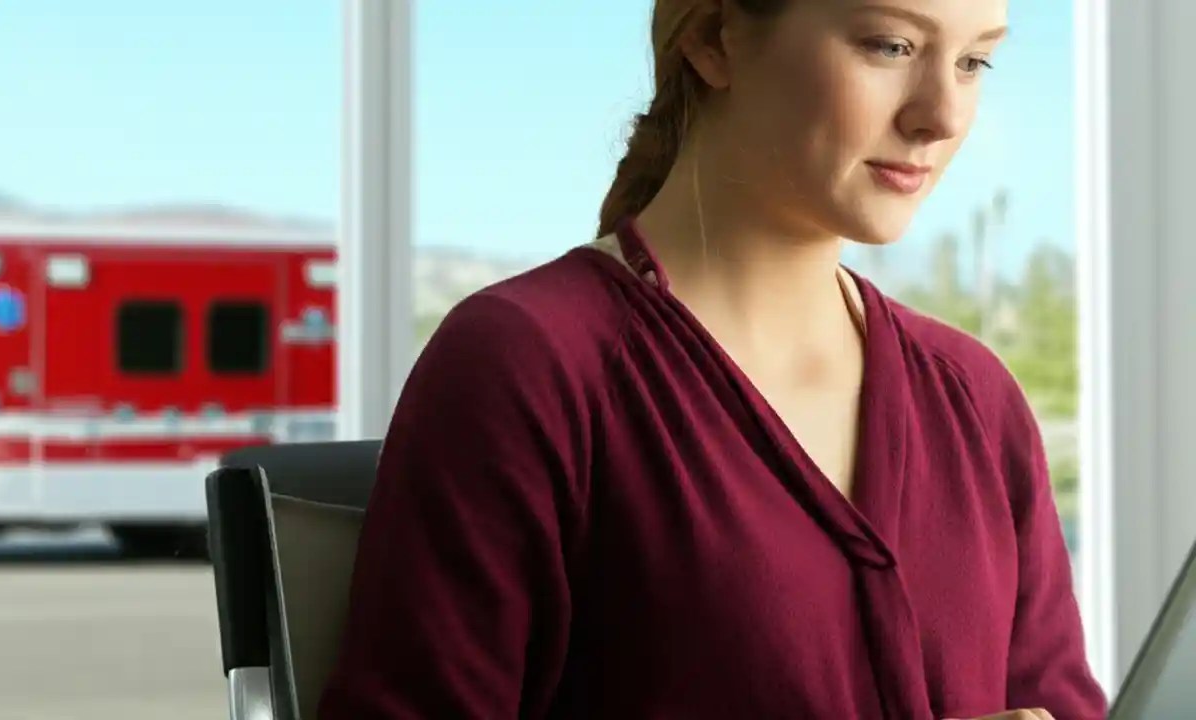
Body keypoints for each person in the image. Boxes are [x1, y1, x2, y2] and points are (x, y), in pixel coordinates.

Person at [318, 0, 1108, 718]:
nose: (940, 115)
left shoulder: (975, 398)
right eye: (890, 45)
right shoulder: (526, 364)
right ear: (713, 40)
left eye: (974, 62)